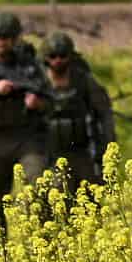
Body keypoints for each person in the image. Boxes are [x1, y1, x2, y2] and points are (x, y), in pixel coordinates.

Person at [0, 10, 45, 224]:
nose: (1, 43)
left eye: (6, 38)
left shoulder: (29, 65)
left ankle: (42, 240)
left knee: (38, 188)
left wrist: (36, 102)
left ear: (15, 39)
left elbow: (49, 97)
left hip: (26, 138)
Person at [32, 32, 115, 196]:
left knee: (89, 196)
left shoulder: (83, 80)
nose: (57, 60)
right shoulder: (37, 82)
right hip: (49, 154)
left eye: (62, 56)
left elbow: (104, 112)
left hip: (81, 151)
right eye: (52, 56)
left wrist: (107, 147)